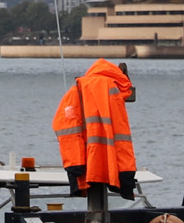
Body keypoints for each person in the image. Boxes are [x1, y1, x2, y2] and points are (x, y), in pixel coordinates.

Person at [52, 57, 137, 199]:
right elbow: (123, 140)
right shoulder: (116, 91)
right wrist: (126, 178)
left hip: (85, 166)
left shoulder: (78, 88)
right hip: (113, 168)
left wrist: (75, 166)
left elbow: (66, 128)